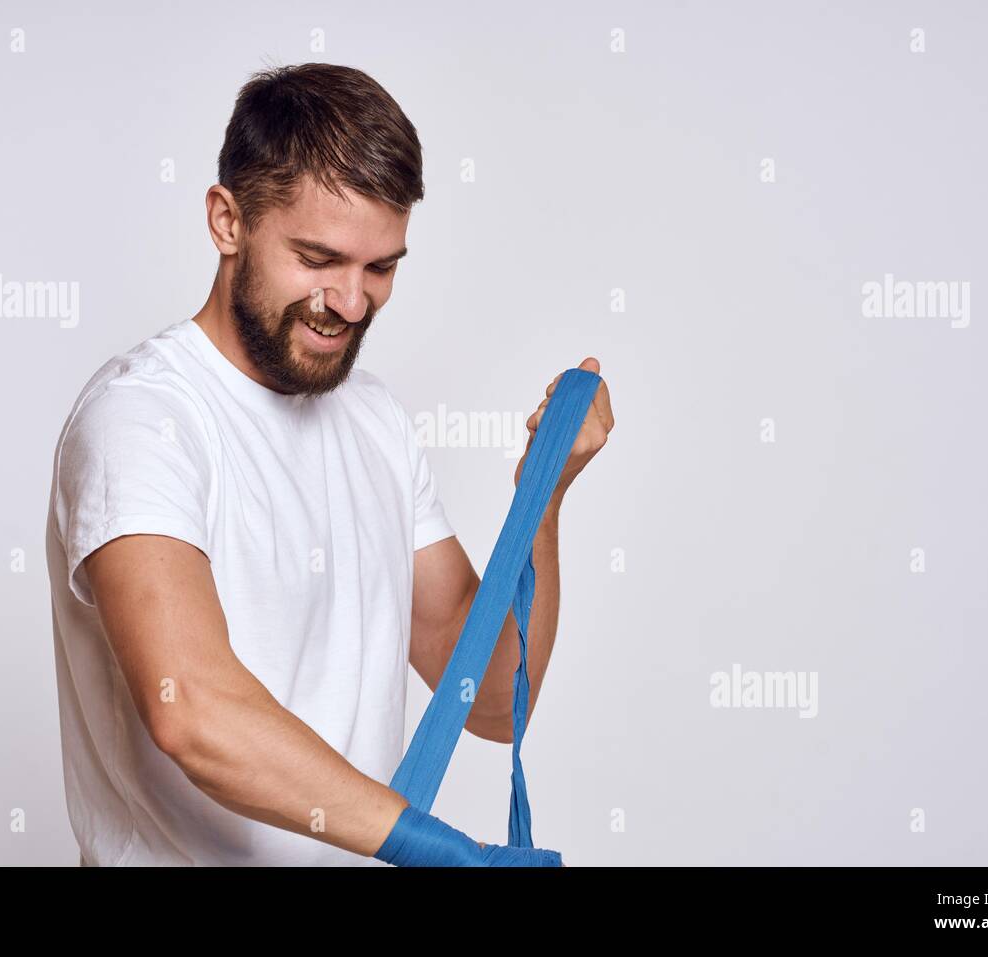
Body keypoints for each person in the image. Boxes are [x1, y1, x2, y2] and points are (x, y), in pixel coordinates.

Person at [44, 62, 614, 866]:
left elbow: (489, 699)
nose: (352, 302)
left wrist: (544, 500)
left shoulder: (373, 419)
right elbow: (193, 707)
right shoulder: (144, 419)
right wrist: (433, 846)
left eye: (380, 268)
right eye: (318, 258)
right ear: (227, 221)